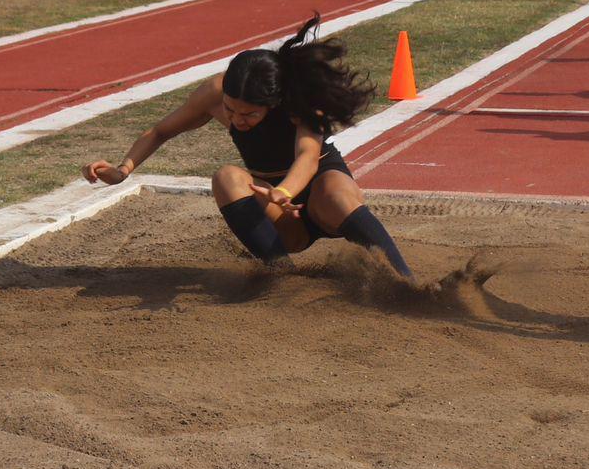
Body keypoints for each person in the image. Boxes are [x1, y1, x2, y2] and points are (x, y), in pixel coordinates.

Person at [81, 16, 412, 278]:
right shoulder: (213, 92)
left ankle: (405, 283)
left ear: (273, 103)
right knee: (226, 176)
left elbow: (308, 157)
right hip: (281, 213)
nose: (237, 120)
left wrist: (284, 192)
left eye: (250, 114)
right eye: (230, 110)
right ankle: (279, 277)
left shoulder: (299, 99)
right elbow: (159, 131)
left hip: (318, 188)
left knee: (334, 194)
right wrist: (122, 169)